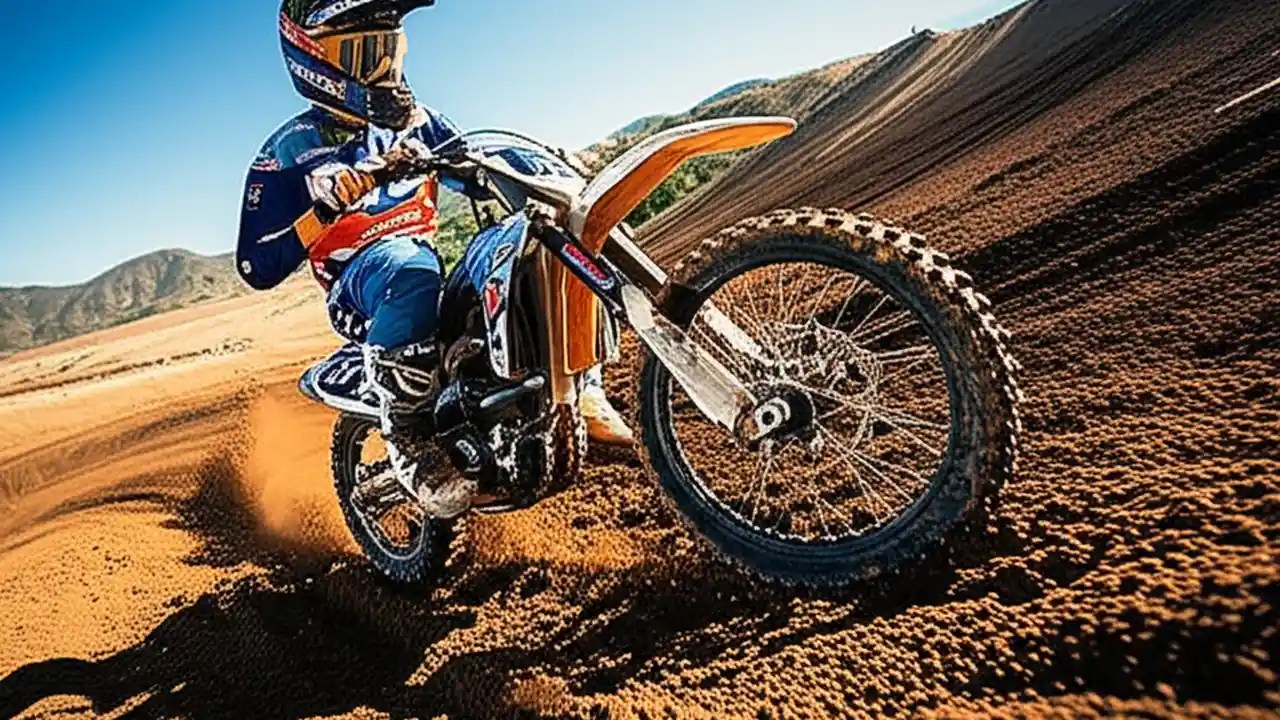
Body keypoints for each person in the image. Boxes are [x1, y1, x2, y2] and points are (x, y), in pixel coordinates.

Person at [236, 0, 632, 513]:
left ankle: (583, 384)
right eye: (367, 53)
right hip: (361, 285)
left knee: (528, 240)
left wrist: (548, 167)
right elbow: (255, 266)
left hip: (426, 262)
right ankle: (410, 439)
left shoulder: (418, 121)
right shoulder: (288, 151)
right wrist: (324, 209)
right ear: (316, 61)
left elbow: (473, 157)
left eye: (390, 49)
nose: (385, 68)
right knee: (409, 268)